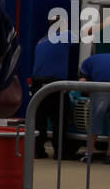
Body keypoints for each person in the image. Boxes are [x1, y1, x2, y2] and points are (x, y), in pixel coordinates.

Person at [30, 16, 77, 158]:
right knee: (60, 119)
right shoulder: (64, 37)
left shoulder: (42, 41)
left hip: (38, 84)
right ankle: (60, 152)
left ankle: (38, 150)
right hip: (55, 84)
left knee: (40, 119)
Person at [78, 49, 110, 164]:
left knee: (97, 115)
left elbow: (82, 82)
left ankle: (89, 153)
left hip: (103, 80)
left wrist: (90, 93)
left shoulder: (86, 62)